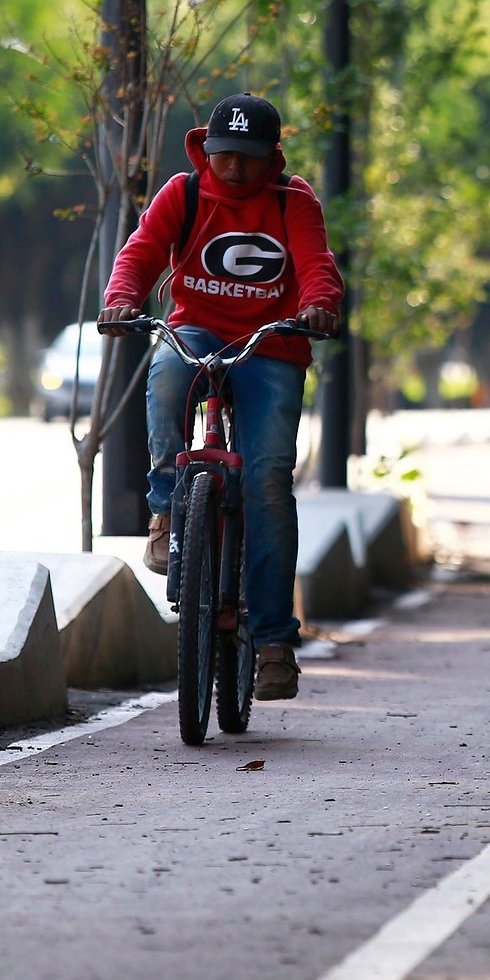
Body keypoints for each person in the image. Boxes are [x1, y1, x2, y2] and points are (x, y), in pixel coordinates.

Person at [99, 92, 342, 703]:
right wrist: (122, 299)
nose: (234, 167)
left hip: (272, 343)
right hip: (199, 329)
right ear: (205, 149)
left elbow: (316, 263)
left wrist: (319, 305)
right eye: (224, 154)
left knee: (266, 483)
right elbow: (140, 252)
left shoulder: (293, 201)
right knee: (166, 377)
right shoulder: (182, 194)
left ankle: (275, 645)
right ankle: (164, 509)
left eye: (248, 157)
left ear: (272, 157)